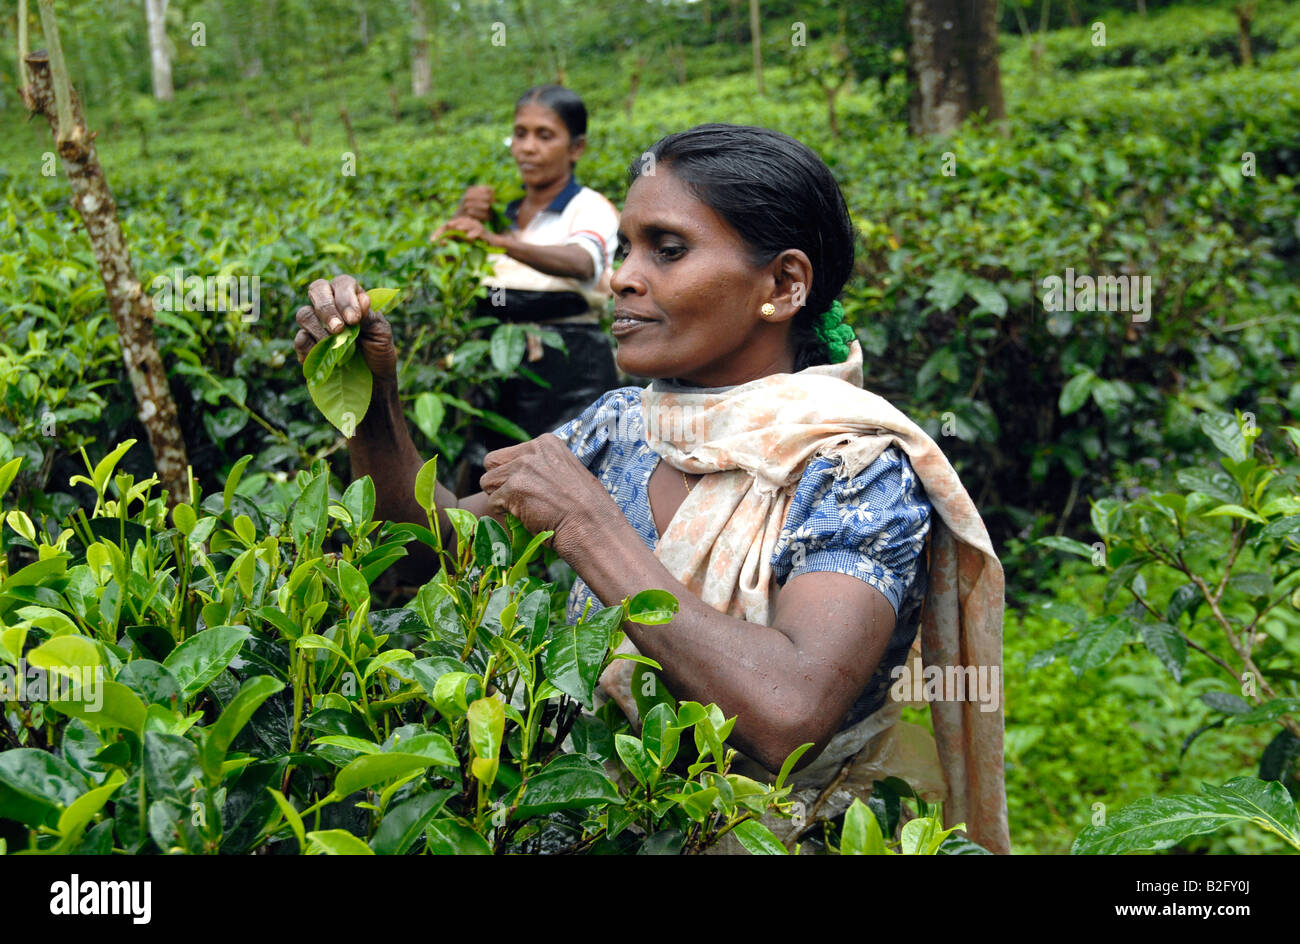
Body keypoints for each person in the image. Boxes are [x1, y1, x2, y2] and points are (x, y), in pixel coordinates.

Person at [293, 124, 1010, 854]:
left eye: (668, 250)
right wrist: (372, 402)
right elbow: (419, 556)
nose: (623, 277)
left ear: (785, 284)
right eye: (628, 248)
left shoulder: (853, 468)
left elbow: (787, 712)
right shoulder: (624, 425)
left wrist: (588, 526)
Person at [432, 85, 620, 481]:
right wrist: (462, 220)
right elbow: (443, 271)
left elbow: (582, 262)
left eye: (545, 135)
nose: (527, 147)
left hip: (570, 372)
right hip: (498, 372)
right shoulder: (505, 215)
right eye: (520, 134)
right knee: (495, 480)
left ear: (576, 147)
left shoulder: (587, 207)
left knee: (567, 483)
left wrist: (498, 242)